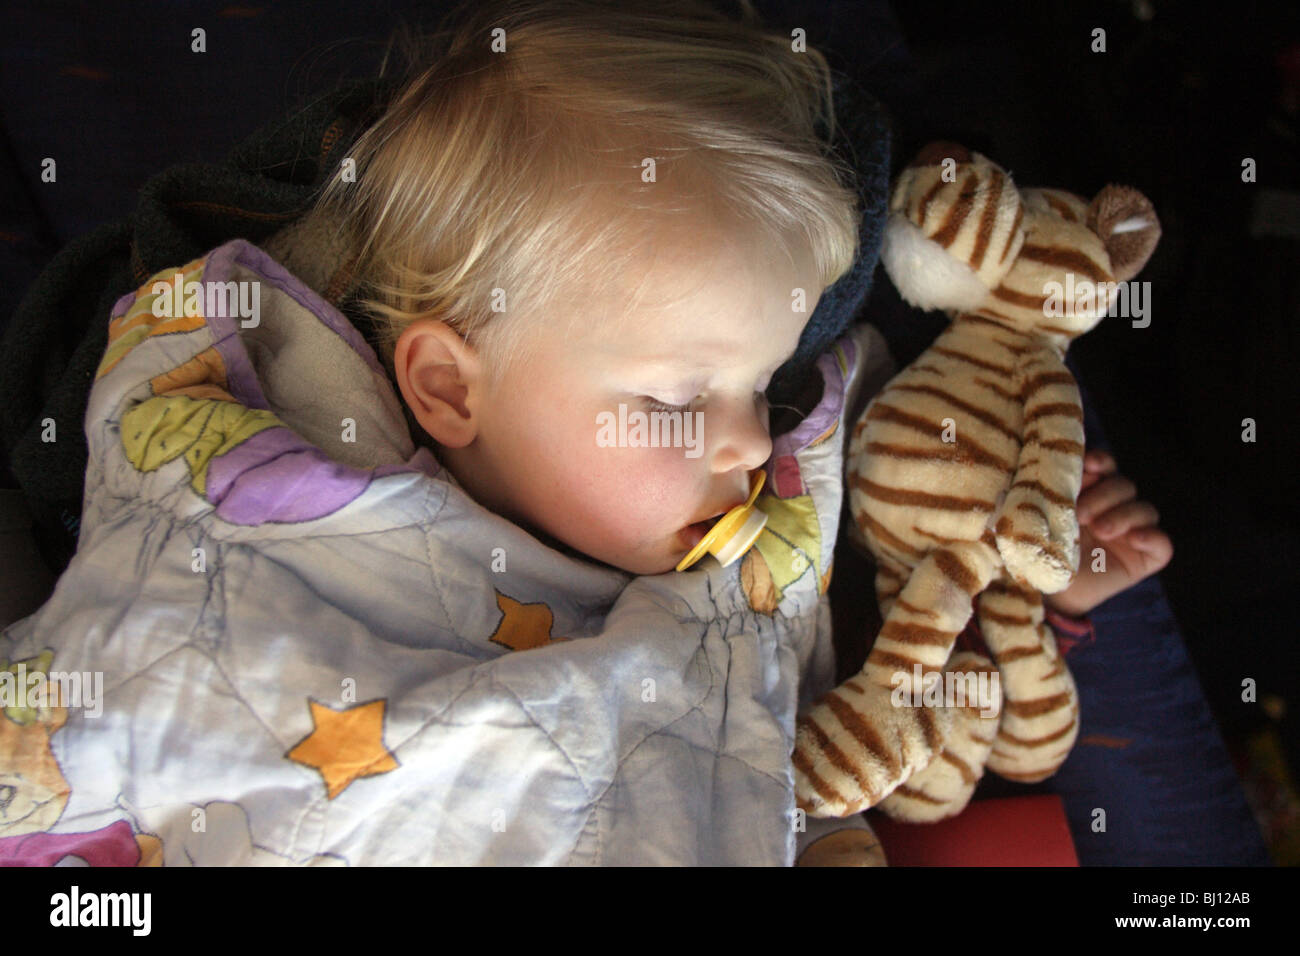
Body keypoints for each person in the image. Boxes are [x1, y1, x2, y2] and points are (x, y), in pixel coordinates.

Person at [0, 0, 1168, 866]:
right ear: (453, 390)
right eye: (674, 398)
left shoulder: (747, 528)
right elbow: (145, 702)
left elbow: (893, 670)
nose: (751, 449)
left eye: (762, 385)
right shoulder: (242, 507)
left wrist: (1042, 584)